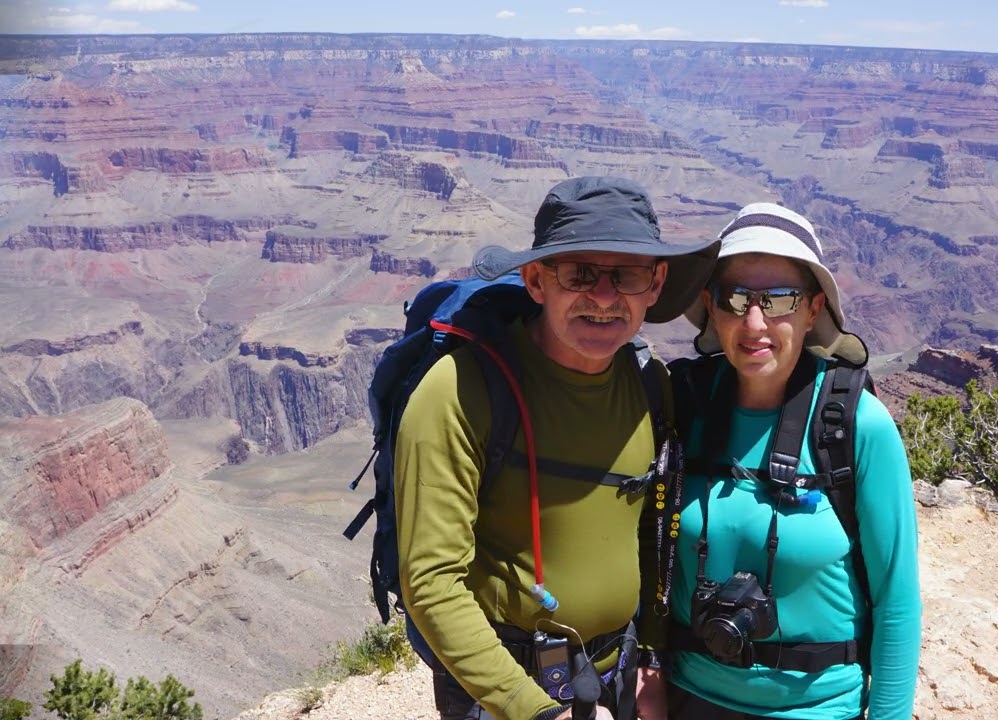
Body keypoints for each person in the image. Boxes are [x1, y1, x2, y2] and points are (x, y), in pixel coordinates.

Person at [393, 176, 719, 720]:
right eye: (580, 274)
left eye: (628, 274)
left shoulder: (649, 385)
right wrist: (535, 712)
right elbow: (431, 581)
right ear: (536, 280)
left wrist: (654, 664)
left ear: (656, 284)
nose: (605, 296)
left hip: (622, 674)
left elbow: (655, 535)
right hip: (501, 691)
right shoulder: (458, 390)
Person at [658, 202, 922, 720]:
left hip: (818, 708)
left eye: (779, 299)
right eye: (735, 298)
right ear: (711, 307)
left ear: (813, 309)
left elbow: (897, 600)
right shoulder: (682, 405)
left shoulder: (854, 426)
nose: (754, 322)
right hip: (688, 698)